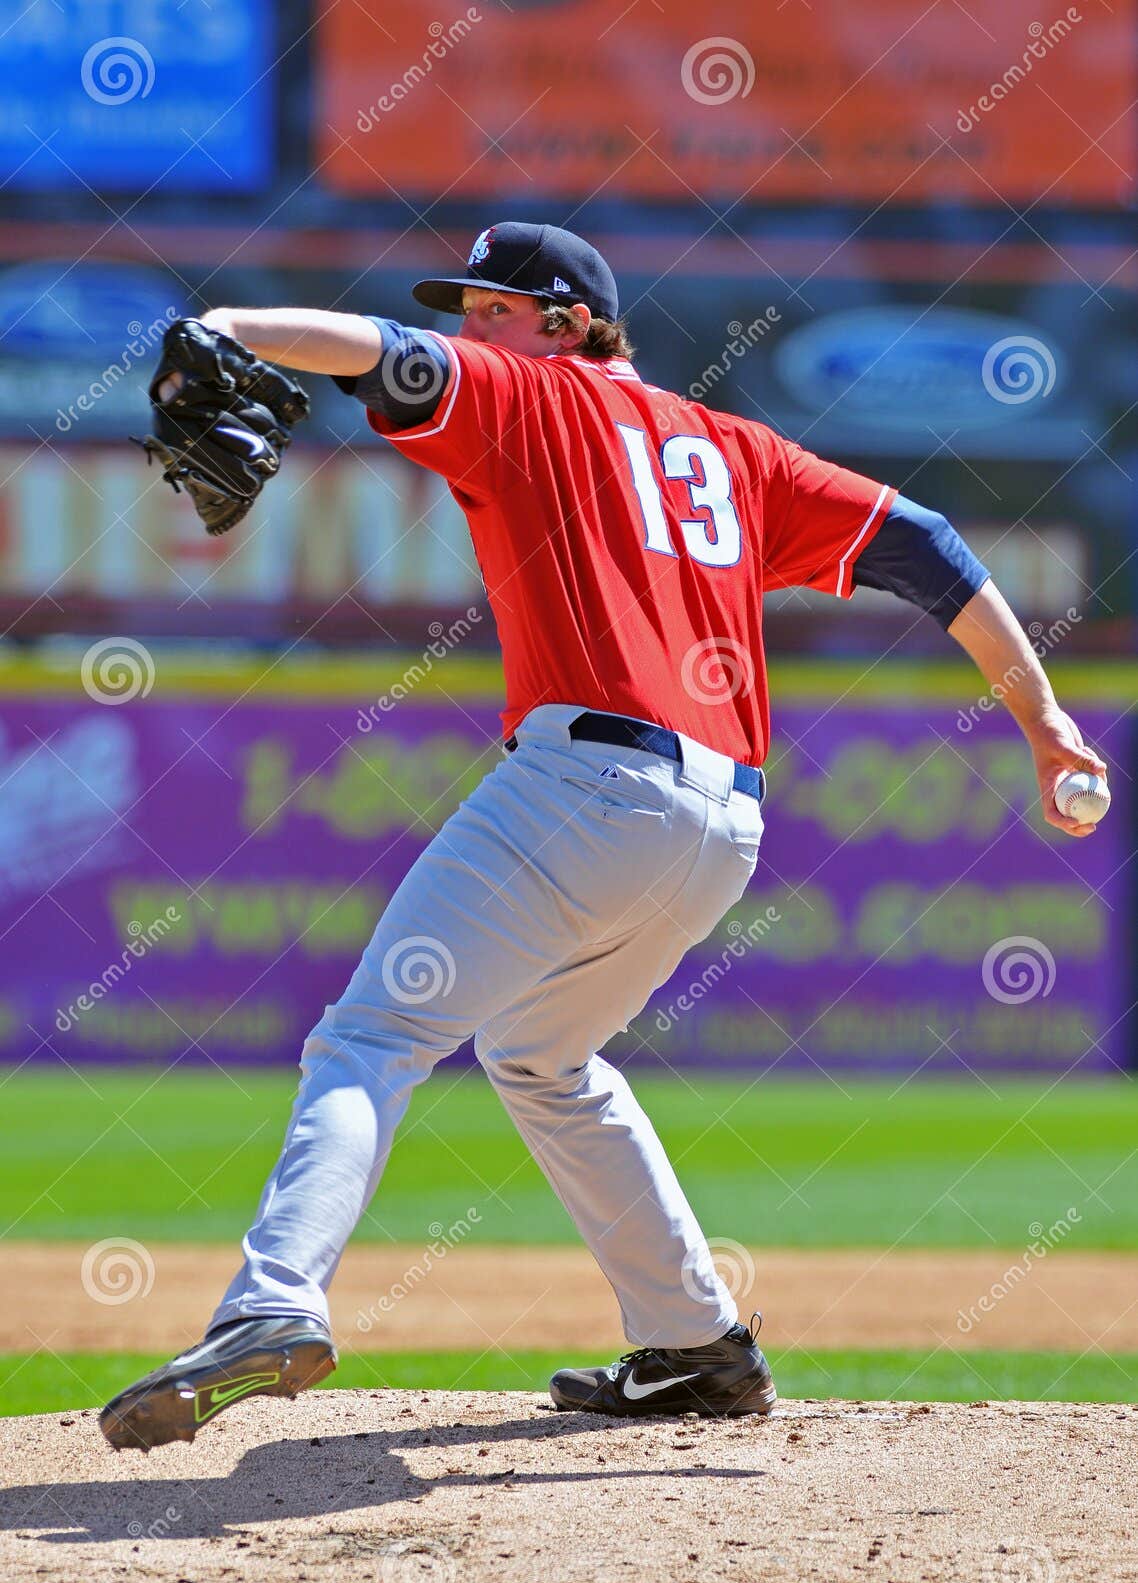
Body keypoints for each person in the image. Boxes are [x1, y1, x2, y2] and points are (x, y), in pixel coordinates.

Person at [100, 222, 1106, 1449]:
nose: (470, 328)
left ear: (567, 322)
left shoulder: (530, 394)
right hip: (718, 825)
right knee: (539, 1052)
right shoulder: (738, 451)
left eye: (491, 307)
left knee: (371, 1032)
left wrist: (226, 332)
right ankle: (697, 1347)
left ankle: (271, 1303)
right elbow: (932, 548)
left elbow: (372, 351)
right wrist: (1046, 723)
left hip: (587, 785)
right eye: (465, 310)